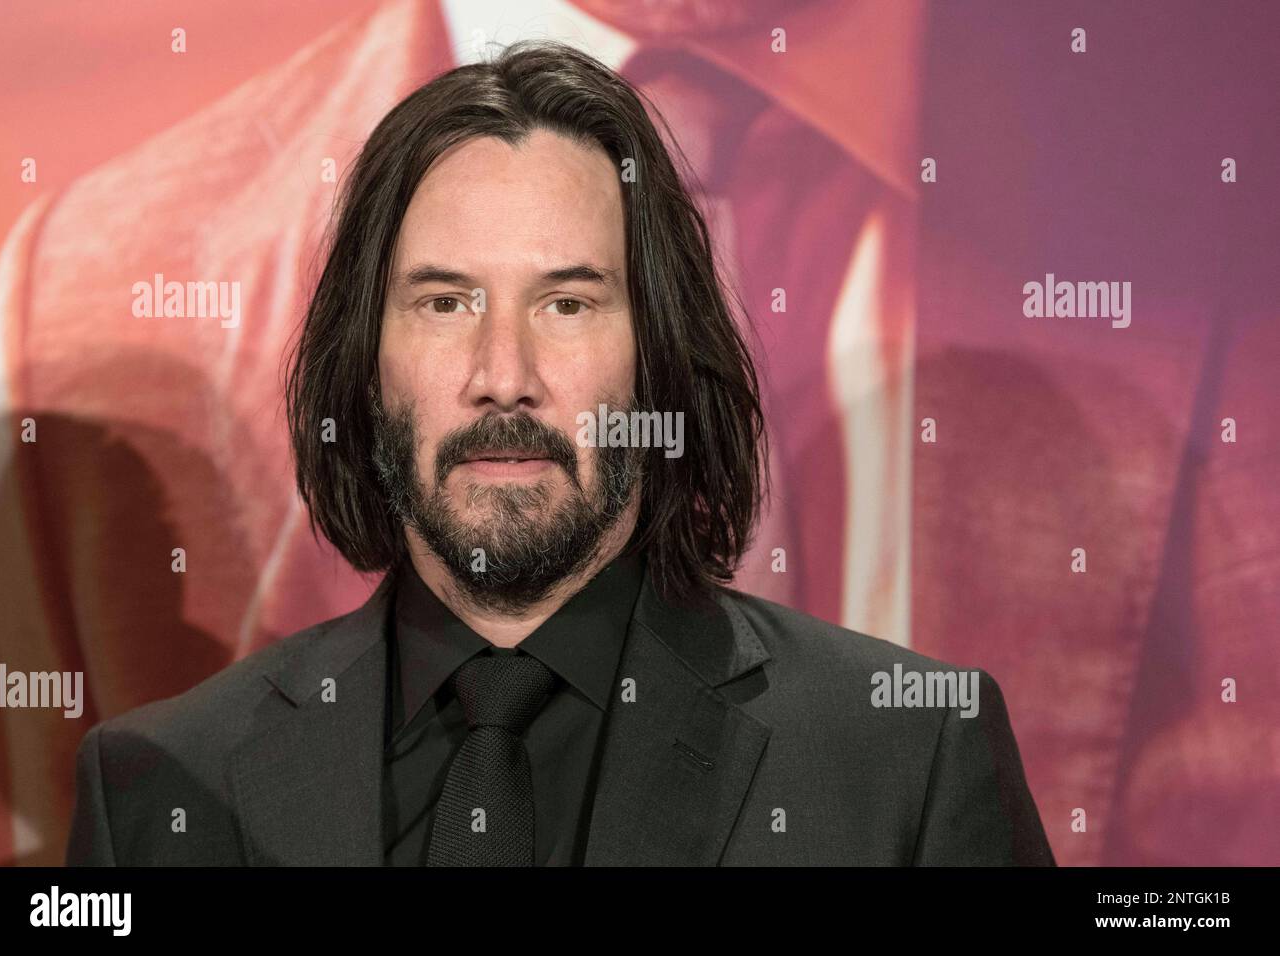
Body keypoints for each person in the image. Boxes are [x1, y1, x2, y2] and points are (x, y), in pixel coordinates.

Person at [64, 38, 1053, 866]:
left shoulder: (905, 761)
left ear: (656, 360)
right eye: (445, 302)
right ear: (366, 368)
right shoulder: (155, 790)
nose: (505, 373)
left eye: (567, 303)